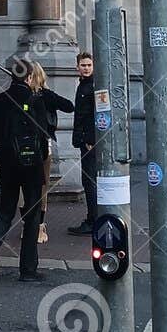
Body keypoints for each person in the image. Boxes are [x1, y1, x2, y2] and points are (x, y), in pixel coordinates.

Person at [0, 57, 49, 282]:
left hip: (8, 166)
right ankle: (28, 269)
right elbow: (43, 136)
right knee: (32, 215)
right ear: (29, 77)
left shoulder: (0, 100)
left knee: (5, 212)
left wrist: (6, 146)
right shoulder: (36, 99)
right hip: (32, 167)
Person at [30, 62, 75, 249]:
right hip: (43, 147)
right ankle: (39, 226)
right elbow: (69, 106)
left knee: (26, 189)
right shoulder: (46, 95)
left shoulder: (20, 95)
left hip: (22, 148)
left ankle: (29, 225)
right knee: (41, 186)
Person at [68, 52, 97, 237]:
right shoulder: (83, 85)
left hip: (89, 142)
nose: (86, 68)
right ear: (77, 67)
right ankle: (92, 218)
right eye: (83, 65)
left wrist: (90, 140)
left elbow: (97, 115)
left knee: (90, 181)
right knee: (88, 181)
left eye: (89, 65)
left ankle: (93, 220)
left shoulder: (93, 87)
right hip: (84, 139)